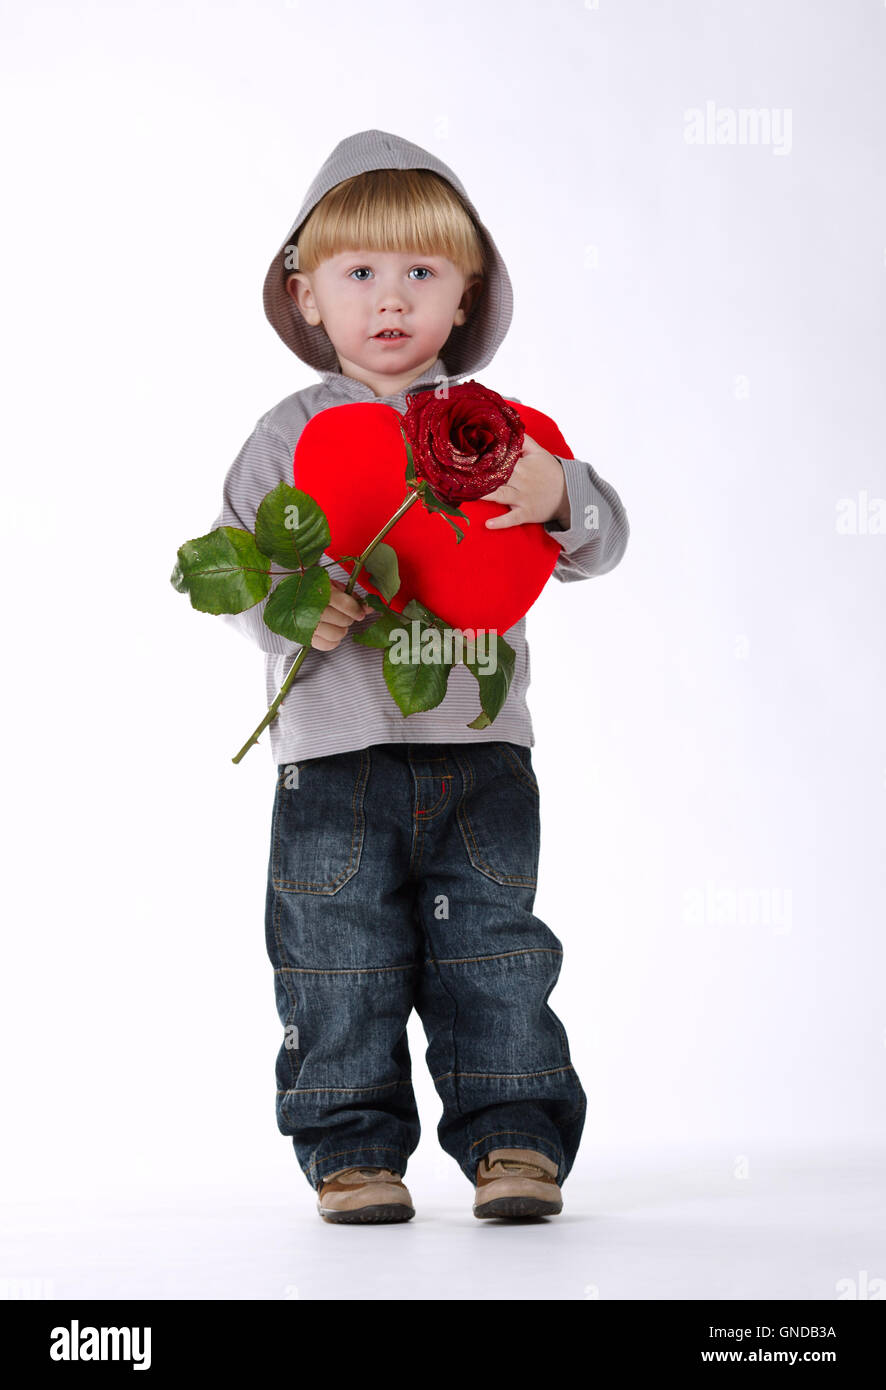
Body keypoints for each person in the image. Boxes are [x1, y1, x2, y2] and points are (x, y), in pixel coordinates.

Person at [208, 128, 630, 1223]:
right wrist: (297, 602)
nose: (388, 300)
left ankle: (515, 1141)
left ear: (464, 293)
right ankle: (351, 1151)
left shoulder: (497, 437)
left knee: (495, 954)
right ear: (306, 297)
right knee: (335, 959)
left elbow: (599, 540)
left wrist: (558, 494)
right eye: (358, 274)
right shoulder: (287, 436)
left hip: (482, 758)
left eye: (420, 273)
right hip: (333, 761)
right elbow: (241, 567)